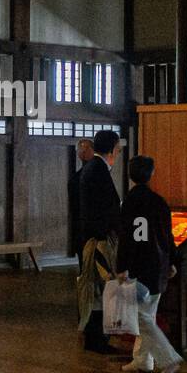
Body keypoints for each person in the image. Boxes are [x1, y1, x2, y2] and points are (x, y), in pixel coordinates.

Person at [115, 156, 182, 373]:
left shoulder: (129, 203)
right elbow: (168, 236)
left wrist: (121, 266)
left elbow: (126, 239)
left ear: (129, 174)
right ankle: (143, 360)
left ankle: (168, 359)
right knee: (147, 315)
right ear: (152, 174)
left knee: (141, 318)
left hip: (138, 266)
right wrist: (172, 260)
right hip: (158, 265)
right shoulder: (159, 202)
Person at [77, 129, 123, 354]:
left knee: (97, 289)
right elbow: (107, 209)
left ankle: (95, 337)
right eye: (118, 148)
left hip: (92, 237)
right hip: (100, 239)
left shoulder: (91, 169)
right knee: (102, 289)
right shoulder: (99, 171)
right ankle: (97, 339)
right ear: (113, 149)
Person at [67, 139, 95, 273]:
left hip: (95, 227)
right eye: (80, 150)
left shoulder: (99, 174)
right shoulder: (75, 178)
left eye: (86, 149)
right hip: (81, 226)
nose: (82, 152)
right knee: (85, 266)